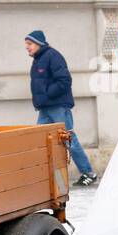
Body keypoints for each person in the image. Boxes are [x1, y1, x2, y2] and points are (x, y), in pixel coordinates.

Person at [24, 29, 97, 186]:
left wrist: (47, 94)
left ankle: (88, 173)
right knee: (41, 140)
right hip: (45, 109)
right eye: (26, 45)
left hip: (57, 107)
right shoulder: (38, 60)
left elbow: (64, 81)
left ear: (38, 43)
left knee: (69, 140)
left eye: (29, 44)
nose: (27, 48)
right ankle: (45, 177)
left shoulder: (52, 56)